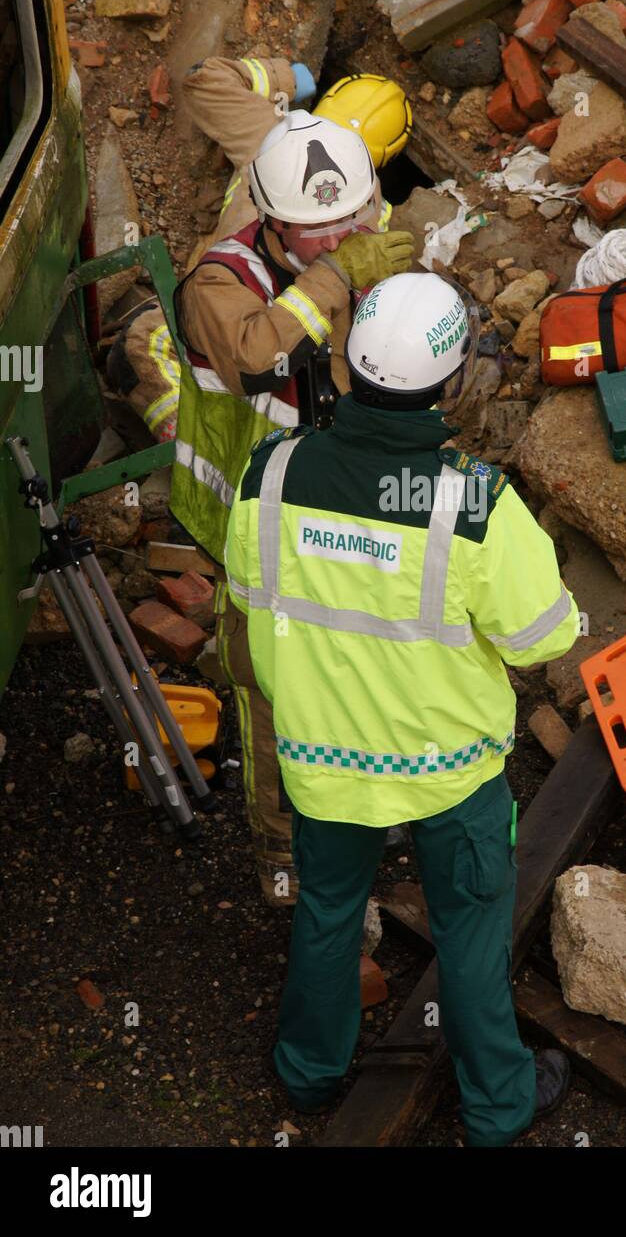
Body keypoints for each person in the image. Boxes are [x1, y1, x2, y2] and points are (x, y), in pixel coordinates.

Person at [224, 272, 580, 1147]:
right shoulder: (474, 504)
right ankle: (498, 1106)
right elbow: (543, 637)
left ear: (348, 367)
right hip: (448, 770)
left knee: (329, 911)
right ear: (450, 383)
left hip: (320, 756)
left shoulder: (271, 472)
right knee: (468, 928)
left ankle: (307, 1074)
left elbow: (245, 589)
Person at [169, 99, 414, 907]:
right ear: (274, 222)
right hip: (253, 521)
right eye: (322, 229)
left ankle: (374, 795)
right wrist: (340, 279)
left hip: (332, 507)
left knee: (365, 655)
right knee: (272, 691)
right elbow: (258, 357)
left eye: (358, 218)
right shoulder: (218, 280)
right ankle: (282, 850)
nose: (343, 238)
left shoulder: (342, 249)